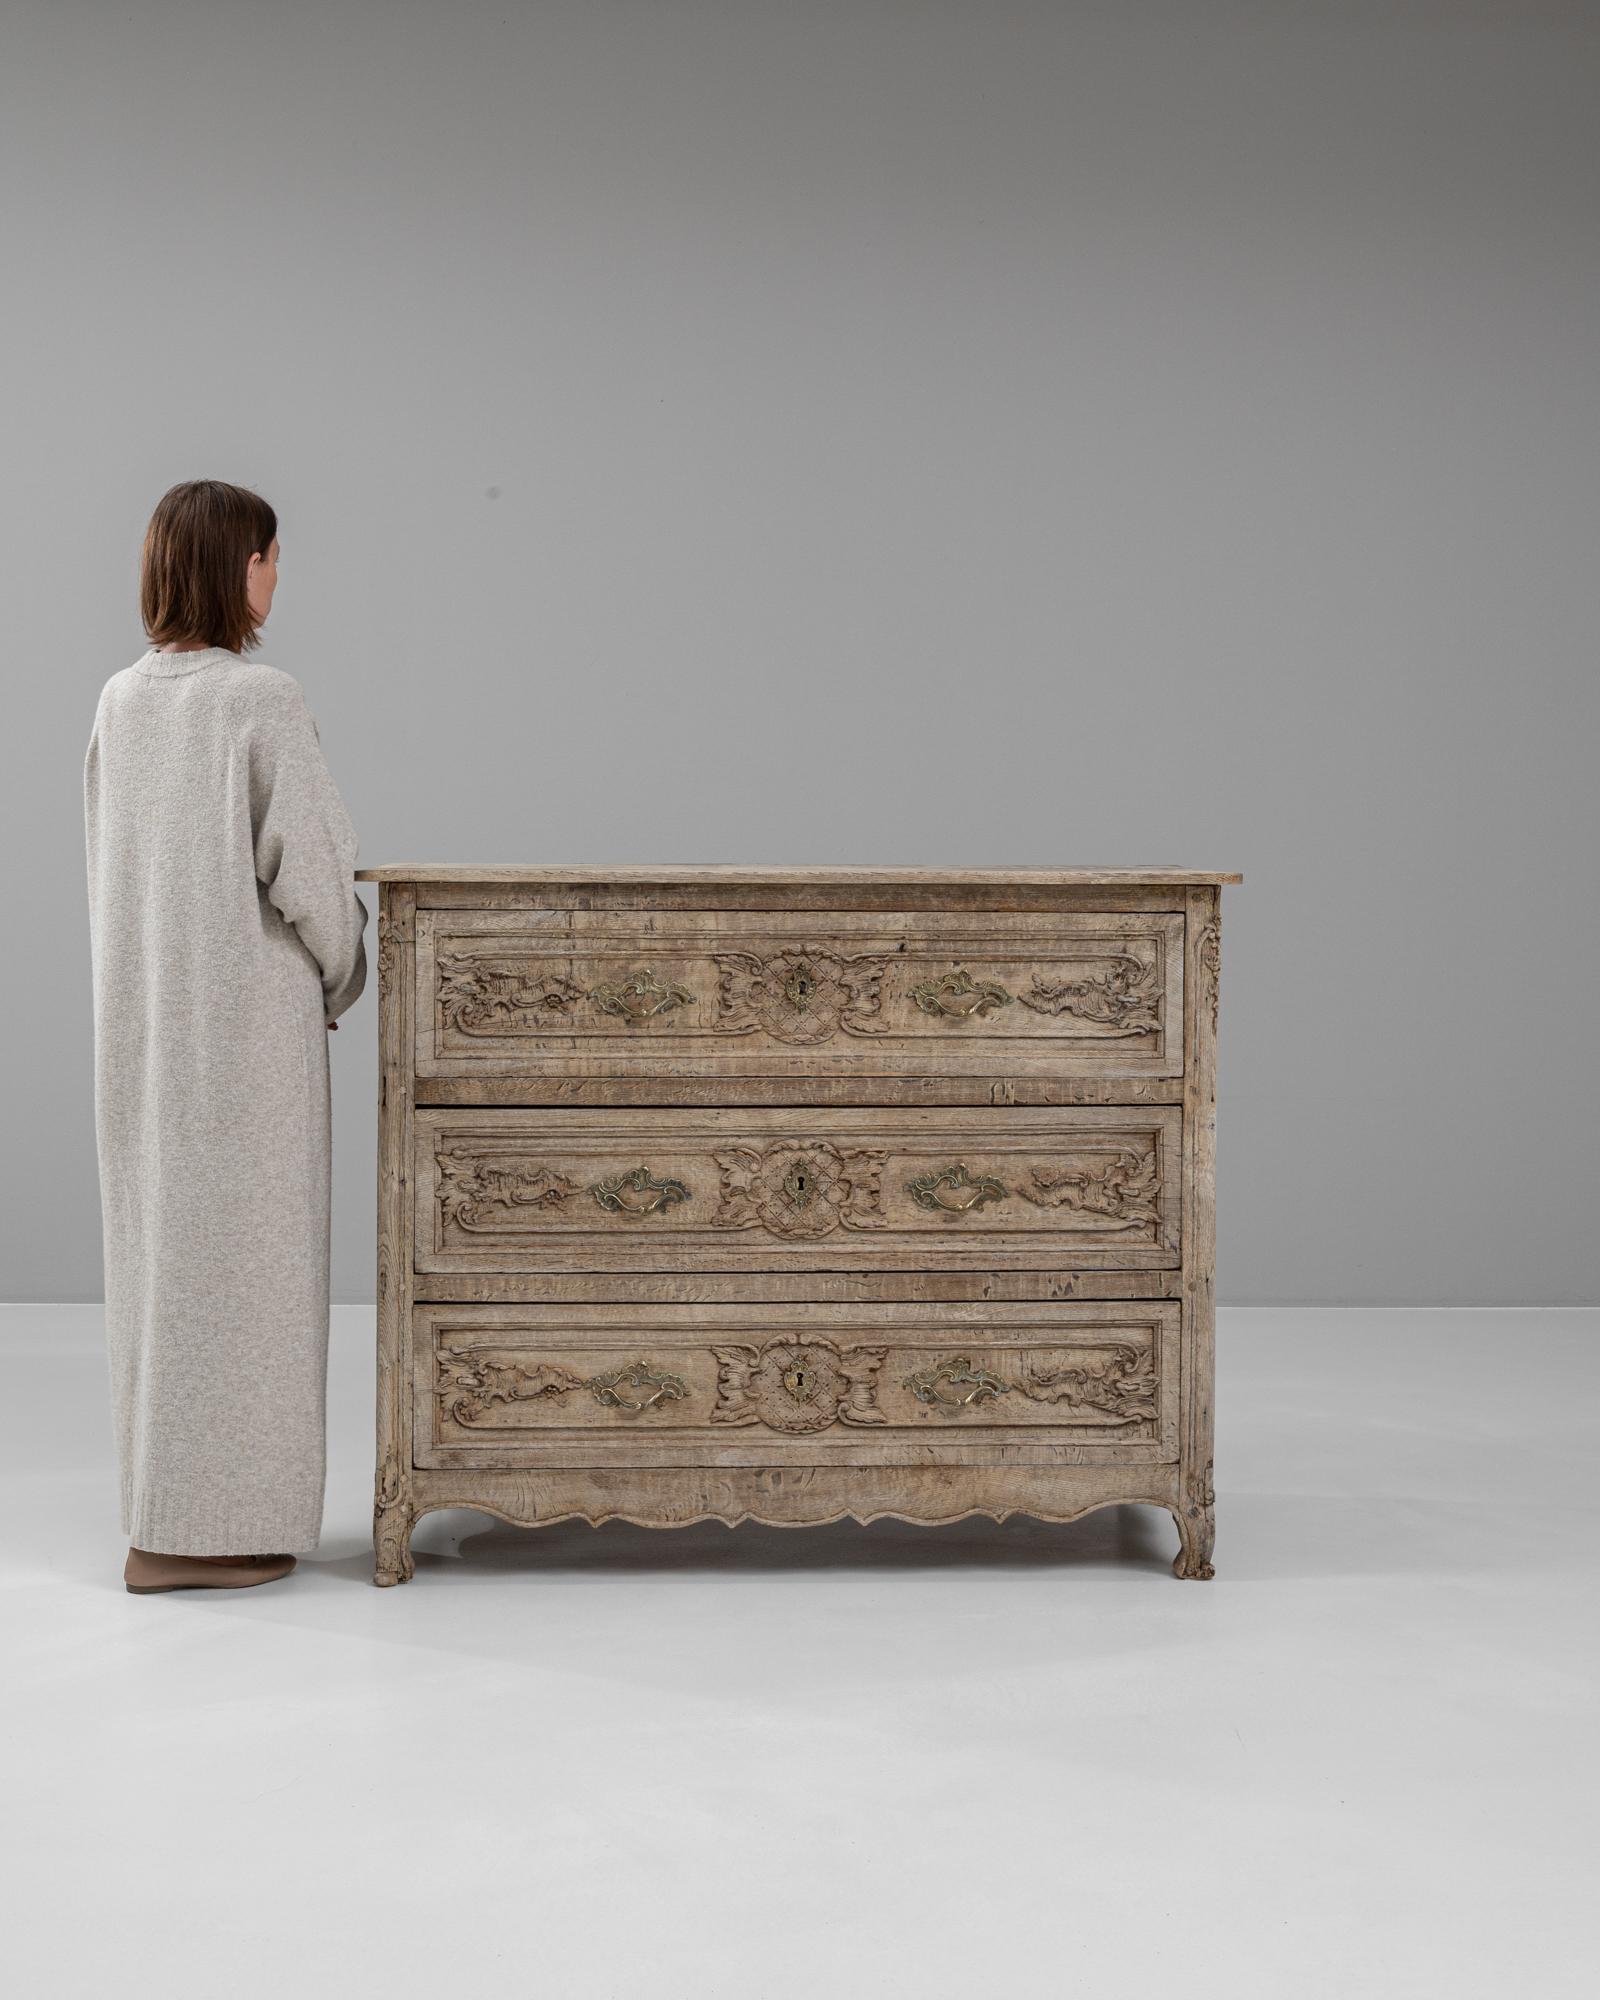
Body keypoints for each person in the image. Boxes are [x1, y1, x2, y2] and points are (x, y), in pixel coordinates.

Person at [84, 480, 368, 1593]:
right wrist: (343, 973)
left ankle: (163, 1520)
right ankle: (220, 1535)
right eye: (268, 556)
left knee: (164, 1276)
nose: (277, 574)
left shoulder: (120, 702)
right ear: (232, 566)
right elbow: (313, 874)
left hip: (146, 1028)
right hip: (249, 1035)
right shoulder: (261, 700)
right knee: (259, 1287)